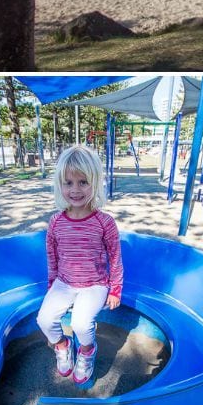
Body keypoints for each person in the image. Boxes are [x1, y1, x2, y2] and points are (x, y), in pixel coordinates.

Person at [36, 145, 123, 387]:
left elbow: (115, 257)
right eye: (68, 183)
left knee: (81, 324)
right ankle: (63, 346)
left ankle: (86, 350)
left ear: (94, 183)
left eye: (83, 182)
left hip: (94, 285)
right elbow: (51, 255)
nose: (75, 190)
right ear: (59, 185)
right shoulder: (56, 221)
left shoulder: (104, 222)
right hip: (64, 283)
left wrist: (115, 289)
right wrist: (52, 282)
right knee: (44, 320)